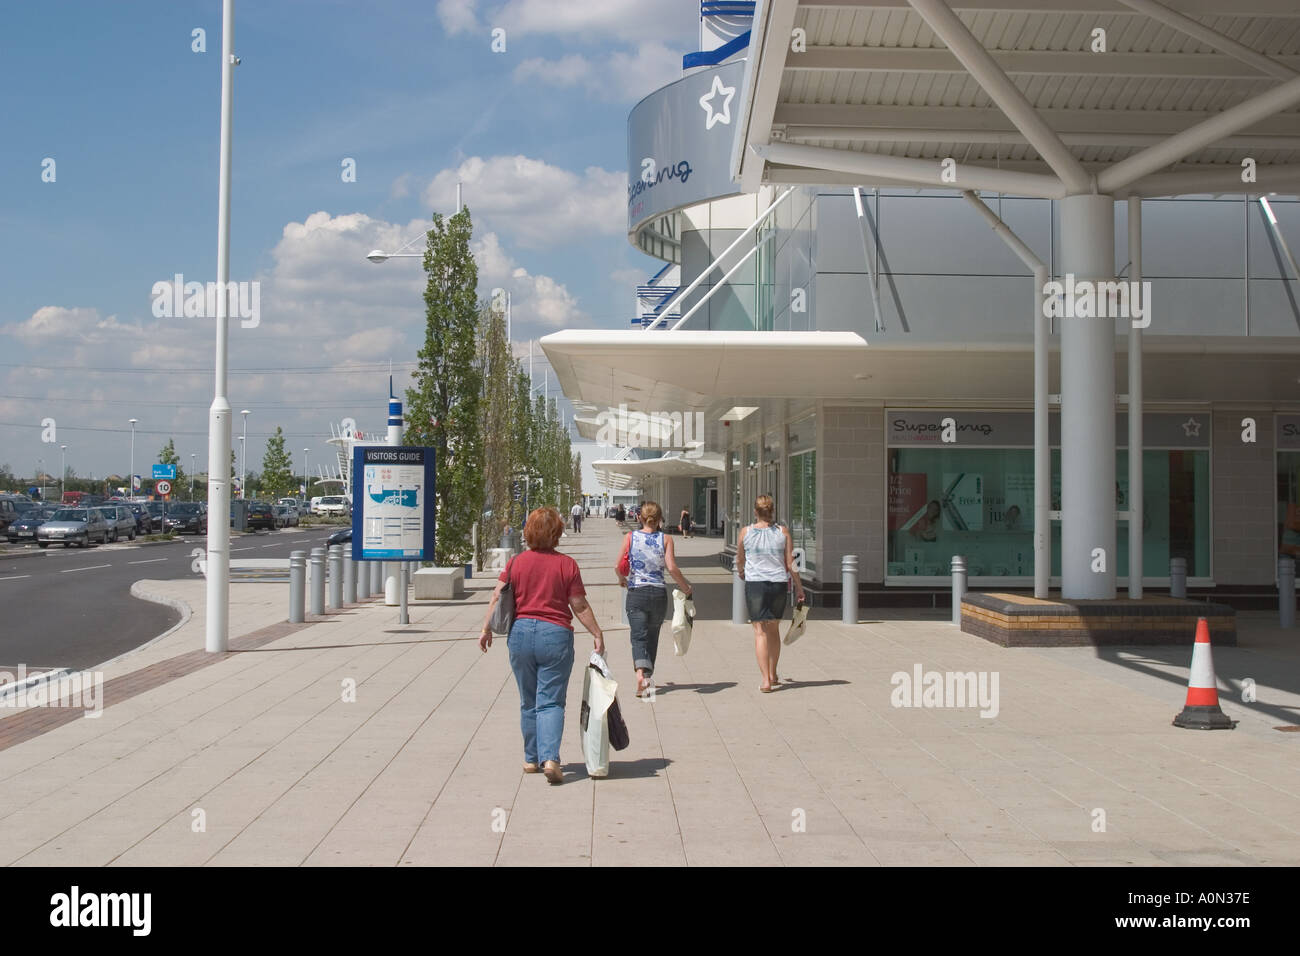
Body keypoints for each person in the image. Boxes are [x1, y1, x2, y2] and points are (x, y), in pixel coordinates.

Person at [480, 507, 605, 785]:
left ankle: (530, 758)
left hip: (521, 634)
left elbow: (497, 596)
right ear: (557, 533)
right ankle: (550, 759)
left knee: (528, 700)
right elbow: (579, 605)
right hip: (555, 635)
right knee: (550, 701)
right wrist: (597, 633)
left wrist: (486, 628)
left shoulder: (515, 563)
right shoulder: (567, 565)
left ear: (528, 532)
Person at [615, 501, 693, 699]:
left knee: (638, 636)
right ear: (660, 519)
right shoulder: (666, 539)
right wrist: (685, 586)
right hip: (658, 594)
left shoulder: (630, 537)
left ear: (640, 517)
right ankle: (648, 677)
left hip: (636, 593)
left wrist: (621, 579)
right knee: (652, 636)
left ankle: (640, 675)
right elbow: (672, 568)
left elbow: (618, 566)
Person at [736, 494, 805, 693]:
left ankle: (765, 680)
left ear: (755, 512)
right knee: (773, 629)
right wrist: (799, 588)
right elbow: (790, 563)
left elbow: (740, 558)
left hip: (755, 584)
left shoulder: (745, 532)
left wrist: (741, 571)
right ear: (772, 511)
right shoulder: (782, 532)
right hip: (778, 584)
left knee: (760, 631)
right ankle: (774, 673)